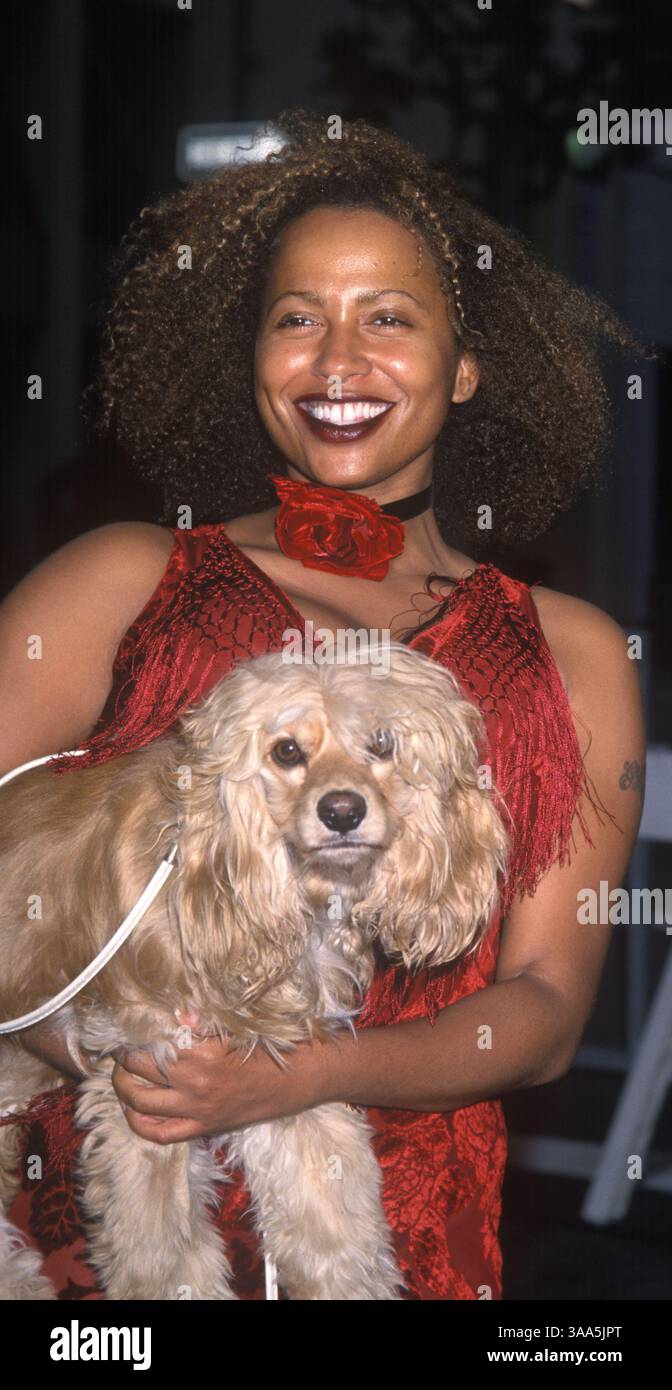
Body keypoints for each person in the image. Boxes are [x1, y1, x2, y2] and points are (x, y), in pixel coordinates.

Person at [0, 110, 646, 1301]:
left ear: (466, 364)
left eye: (387, 318)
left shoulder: (574, 651)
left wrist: (297, 1073)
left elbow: (549, 1014)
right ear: (250, 357)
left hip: (414, 1244)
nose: (337, 361)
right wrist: (80, 1035)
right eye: (297, 318)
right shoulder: (124, 579)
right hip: (95, 1248)